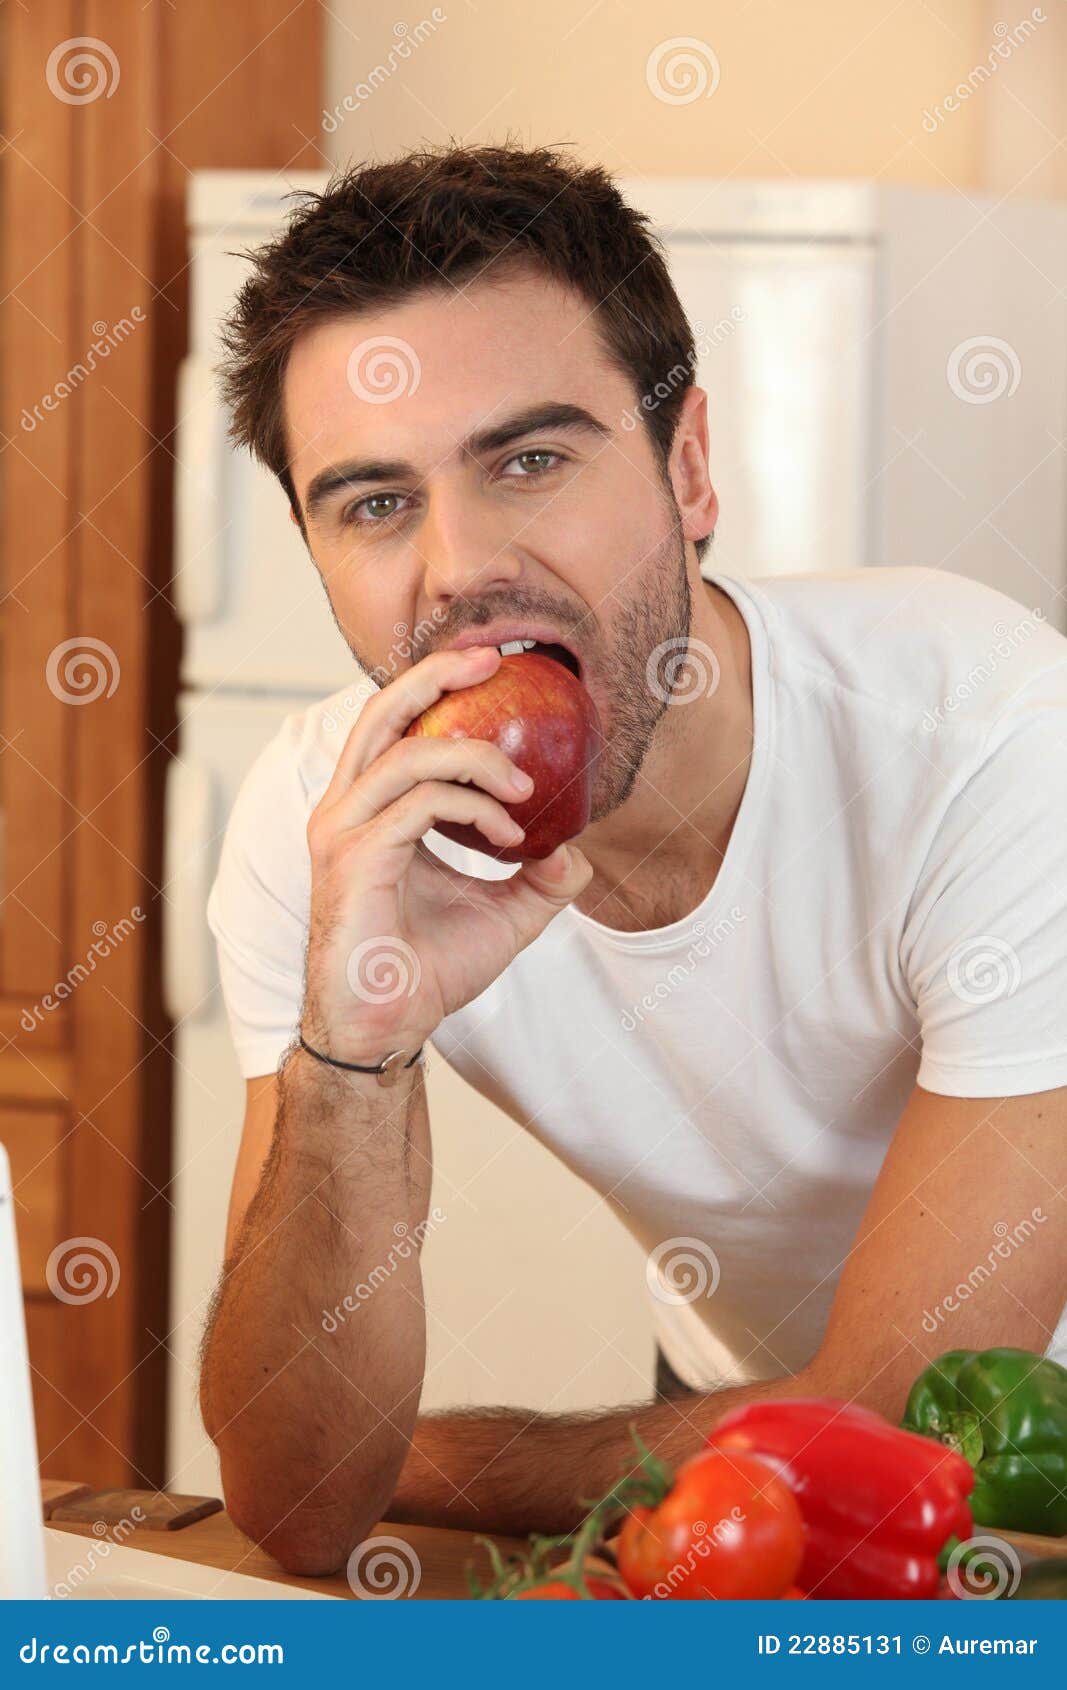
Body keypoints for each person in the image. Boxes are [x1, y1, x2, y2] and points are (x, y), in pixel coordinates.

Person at [198, 142, 1067, 1576]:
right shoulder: (331, 837)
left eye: (530, 459)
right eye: (374, 502)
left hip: (1014, 1436)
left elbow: (909, 1417)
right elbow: (296, 1500)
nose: (461, 562)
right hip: (742, 1437)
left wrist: (428, 1458)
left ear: (689, 465)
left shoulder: (989, 739)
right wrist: (356, 1047)